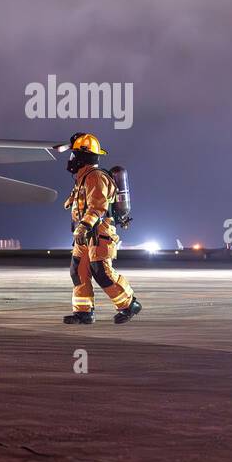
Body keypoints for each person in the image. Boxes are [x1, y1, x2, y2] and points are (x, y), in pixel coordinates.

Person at [62, 132, 141, 325]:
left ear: (83, 156)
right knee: (78, 271)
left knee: (102, 272)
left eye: (74, 155)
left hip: (99, 233)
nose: (71, 159)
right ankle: (83, 312)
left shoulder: (95, 178)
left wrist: (83, 227)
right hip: (84, 236)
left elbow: (97, 207)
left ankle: (129, 304)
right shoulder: (83, 178)